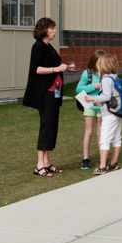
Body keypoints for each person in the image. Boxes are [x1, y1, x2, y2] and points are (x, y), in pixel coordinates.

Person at [23, 17, 75, 177]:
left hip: (55, 92)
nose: (54, 31)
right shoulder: (38, 46)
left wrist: (65, 68)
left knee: (52, 125)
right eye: (52, 28)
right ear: (44, 30)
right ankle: (39, 165)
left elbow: (54, 67)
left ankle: (46, 162)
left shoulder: (49, 47)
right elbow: (36, 69)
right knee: (46, 125)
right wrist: (55, 68)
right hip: (45, 93)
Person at [85, 54, 122, 175]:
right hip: (118, 112)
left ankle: (102, 166)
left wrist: (92, 97)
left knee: (104, 139)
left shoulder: (106, 79)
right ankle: (114, 163)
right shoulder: (116, 77)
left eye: (99, 63)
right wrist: (99, 99)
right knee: (117, 138)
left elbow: (106, 96)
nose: (97, 65)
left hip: (109, 114)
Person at [75, 50, 105, 170]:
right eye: (98, 63)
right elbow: (78, 89)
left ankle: (102, 157)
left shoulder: (106, 74)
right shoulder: (87, 73)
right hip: (89, 106)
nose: (100, 65)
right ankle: (85, 158)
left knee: (100, 133)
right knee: (89, 132)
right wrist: (94, 86)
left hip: (102, 106)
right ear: (93, 62)